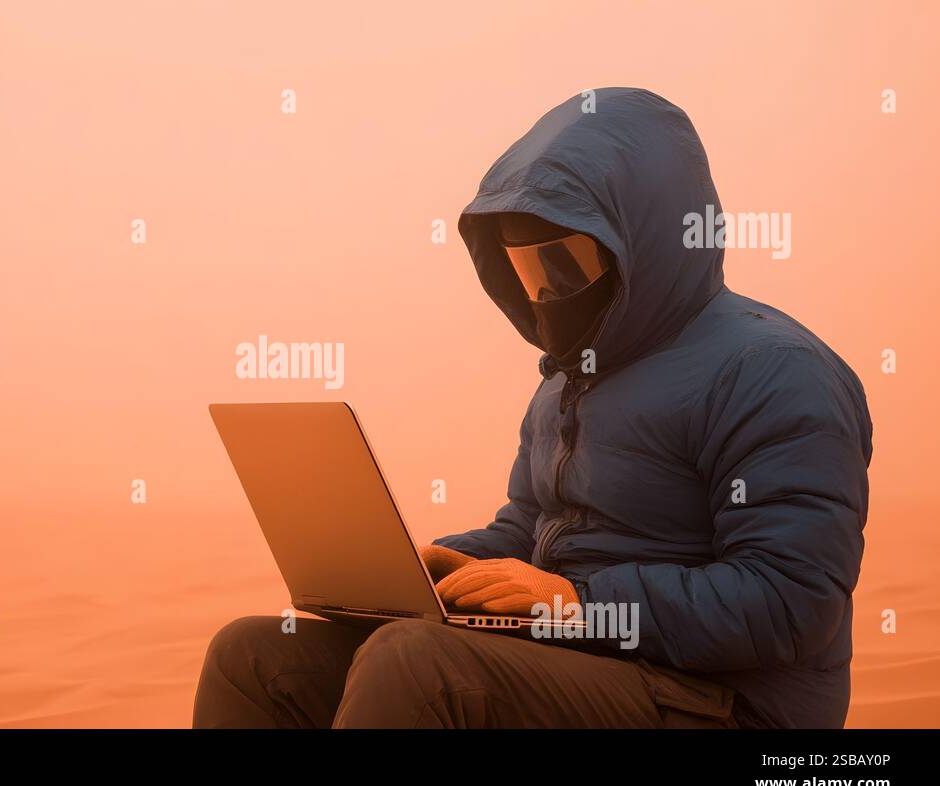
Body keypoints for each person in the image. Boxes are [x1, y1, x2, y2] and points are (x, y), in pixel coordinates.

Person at [192, 88, 872, 729]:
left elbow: (790, 601)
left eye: (567, 263)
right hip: (589, 661)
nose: (548, 291)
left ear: (641, 241)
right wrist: (436, 568)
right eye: (527, 270)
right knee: (253, 656)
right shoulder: (569, 379)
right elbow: (535, 530)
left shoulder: (774, 371)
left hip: (727, 704)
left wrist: (580, 608)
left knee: (416, 664)